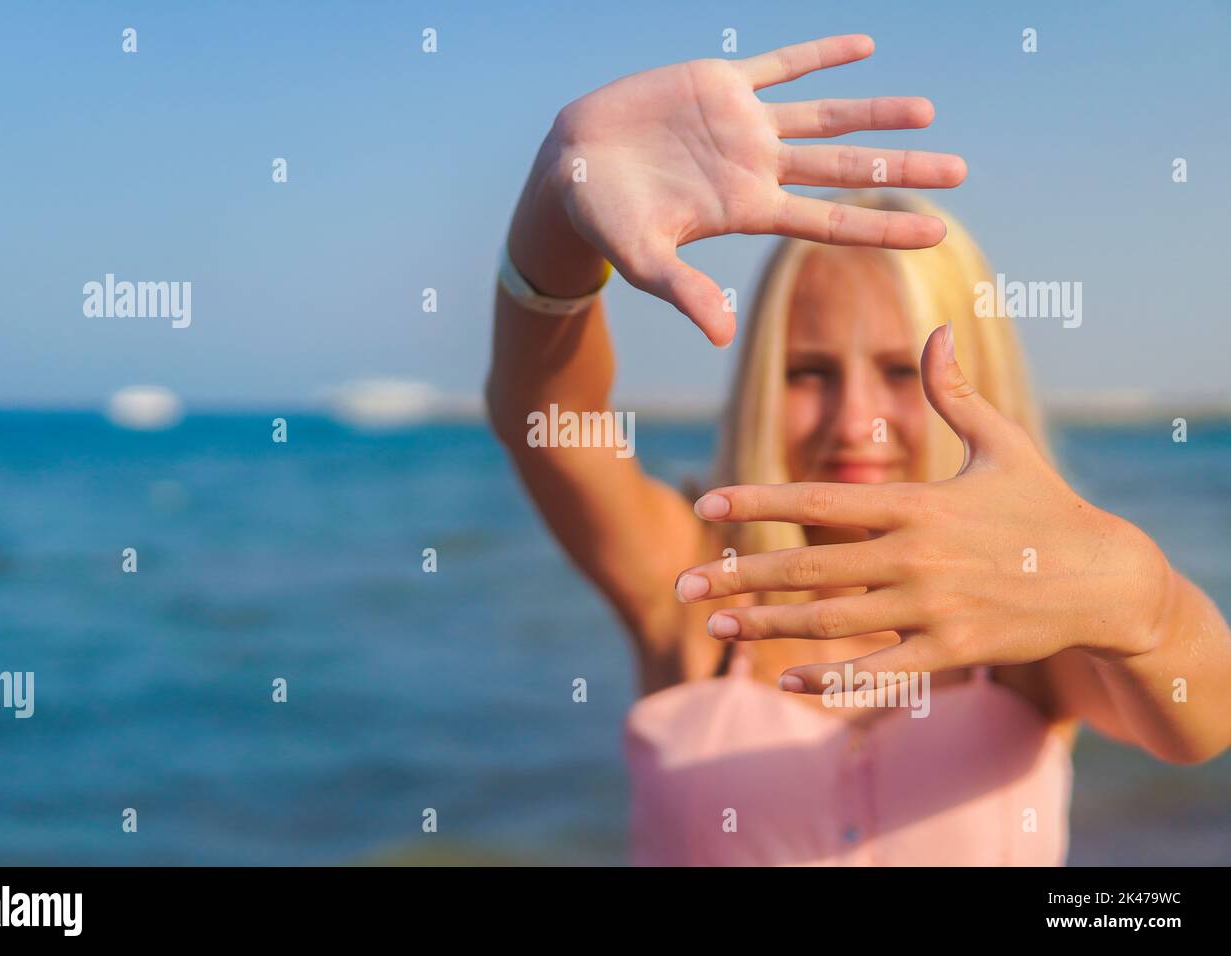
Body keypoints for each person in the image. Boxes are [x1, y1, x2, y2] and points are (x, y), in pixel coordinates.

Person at [485, 34, 1231, 865]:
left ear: (974, 378)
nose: (856, 421)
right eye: (809, 372)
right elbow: (545, 412)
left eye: (896, 370)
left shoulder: (1034, 612)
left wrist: (1145, 602)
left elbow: (1197, 723)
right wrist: (565, 194)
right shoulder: (698, 587)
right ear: (761, 376)